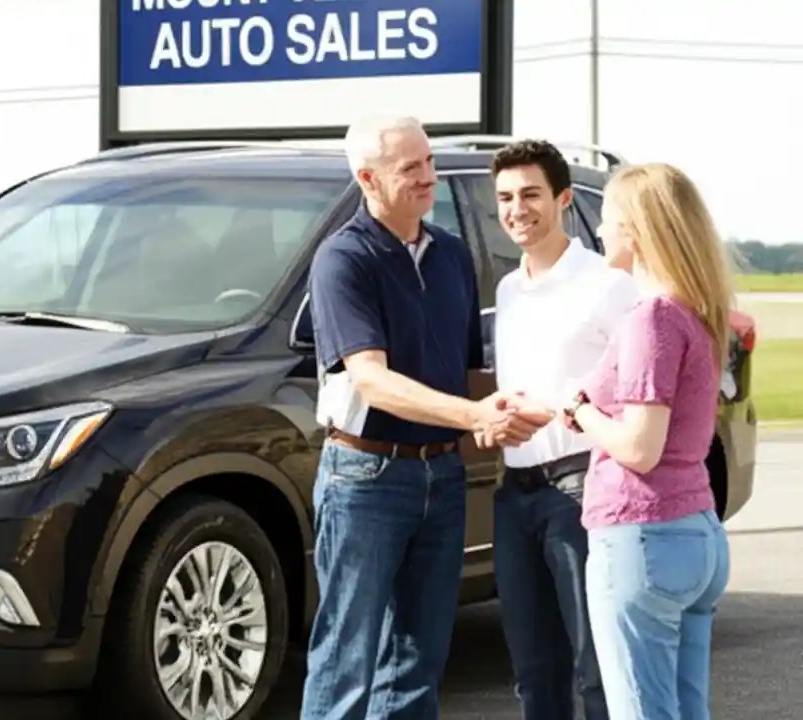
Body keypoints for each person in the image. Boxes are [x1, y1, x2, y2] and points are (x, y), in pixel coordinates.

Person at [301, 115, 552, 720]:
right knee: (346, 658)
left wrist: (524, 411)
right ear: (368, 178)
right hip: (365, 480)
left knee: (418, 660)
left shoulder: (452, 256)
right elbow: (371, 379)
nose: (427, 177)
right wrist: (473, 414)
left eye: (429, 161)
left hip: (442, 479)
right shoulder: (343, 261)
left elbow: (468, 373)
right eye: (409, 167)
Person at [562, 162, 734, 720]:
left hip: (643, 537)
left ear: (634, 232)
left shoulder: (651, 319)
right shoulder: (695, 313)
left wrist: (583, 413)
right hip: (697, 536)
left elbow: (639, 448)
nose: (599, 232)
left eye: (608, 220)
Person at [487, 139, 637, 720]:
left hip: (582, 489)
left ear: (564, 198)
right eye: (504, 197)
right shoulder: (507, 291)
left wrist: (561, 411)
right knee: (534, 673)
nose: (516, 209)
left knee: (597, 667)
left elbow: (638, 389)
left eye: (530, 194)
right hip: (515, 492)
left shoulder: (607, 284)